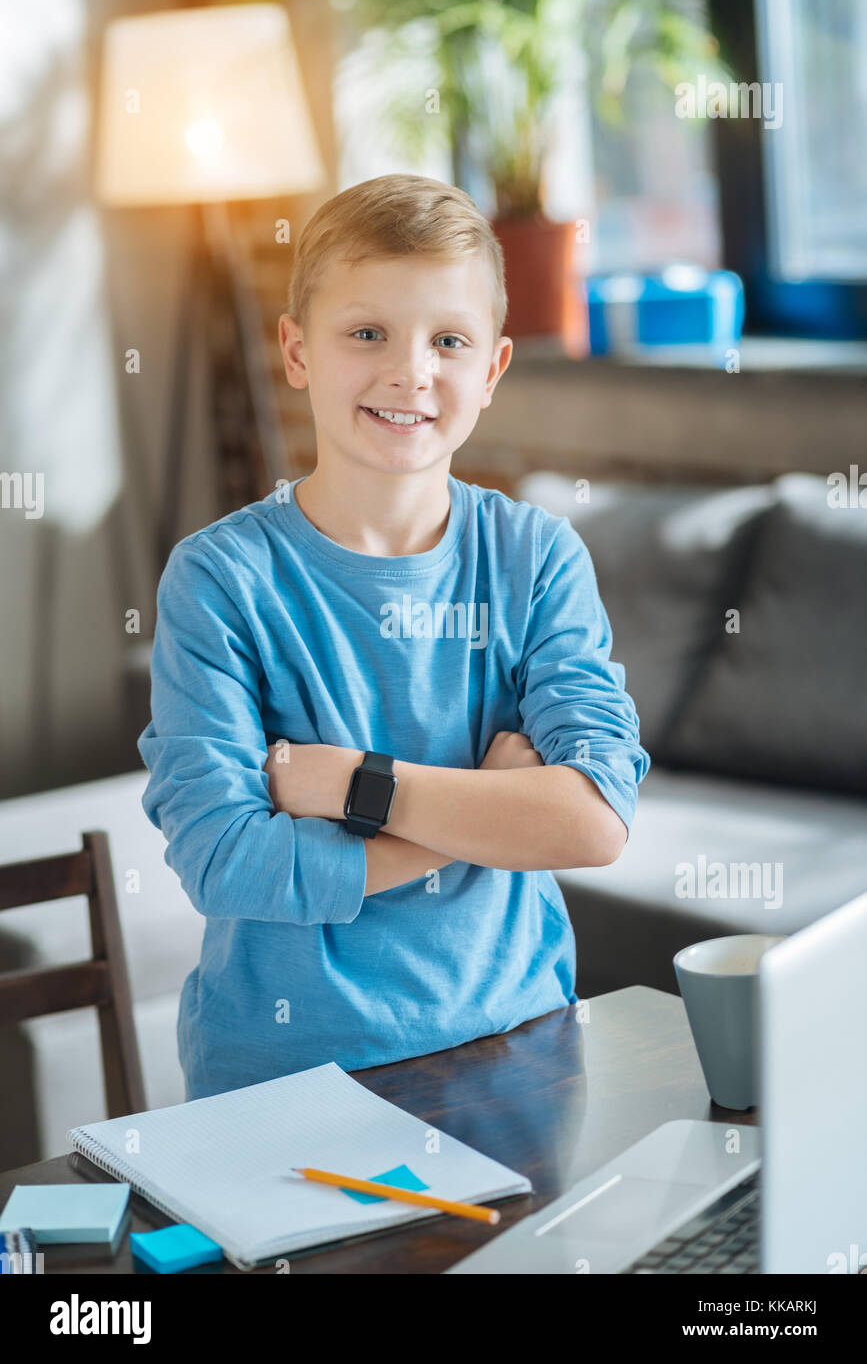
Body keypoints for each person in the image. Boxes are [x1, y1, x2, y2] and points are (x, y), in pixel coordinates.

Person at [138, 173, 651, 1100]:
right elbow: (226, 863)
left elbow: (592, 820)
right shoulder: (220, 580)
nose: (409, 371)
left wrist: (352, 785)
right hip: (286, 1074)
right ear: (297, 351)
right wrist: (483, 817)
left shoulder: (535, 557)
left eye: (447, 341)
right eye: (366, 332)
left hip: (518, 1043)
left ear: (490, 371)